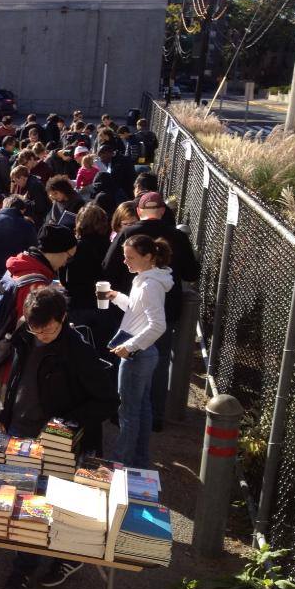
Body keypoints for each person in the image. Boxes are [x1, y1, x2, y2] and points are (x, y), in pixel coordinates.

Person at [0, 286, 118, 589]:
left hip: (56, 441)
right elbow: (16, 376)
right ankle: (40, 556)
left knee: (42, 502)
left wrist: (67, 424)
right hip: (20, 427)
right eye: (36, 327)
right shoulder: (26, 334)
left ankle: (24, 569)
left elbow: (107, 400)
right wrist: (5, 409)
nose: (42, 333)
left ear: (63, 319)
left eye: (48, 328)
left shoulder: (77, 351)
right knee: (23, 497)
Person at [103, 192, 200, 431]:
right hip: (167, 310)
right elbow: (191, 273)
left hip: (132, 311)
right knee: (159, 362)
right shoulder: (177, 236)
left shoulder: (128, 234)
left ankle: (123, 412)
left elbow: (107, 267)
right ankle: (155, 415)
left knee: (127, 362)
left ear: (138, 211)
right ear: (163, 211)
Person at [105, 235, 174, 467]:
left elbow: (158, 325)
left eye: (130, 257)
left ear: (148, 257)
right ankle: (139, 459)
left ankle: (121, 461)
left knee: (129, 411)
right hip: (144, 352)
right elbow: (137, 311)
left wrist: (130, 347)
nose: (125, 262)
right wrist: (116, 297)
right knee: (141, 407)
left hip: (138, 353)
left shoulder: (148, 285)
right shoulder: (147, 279)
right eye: (125, 257)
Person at [60, 203, 112, 349]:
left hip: (77, 305)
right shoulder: (110, 246)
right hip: (103, 305)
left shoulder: (75, 248)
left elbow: (65, 279)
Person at [5, 224, 78, 321]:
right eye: (68, 258)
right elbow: (38, 330)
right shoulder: (36, 286)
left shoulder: (22, 264)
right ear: (56, 250)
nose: (65, 264)